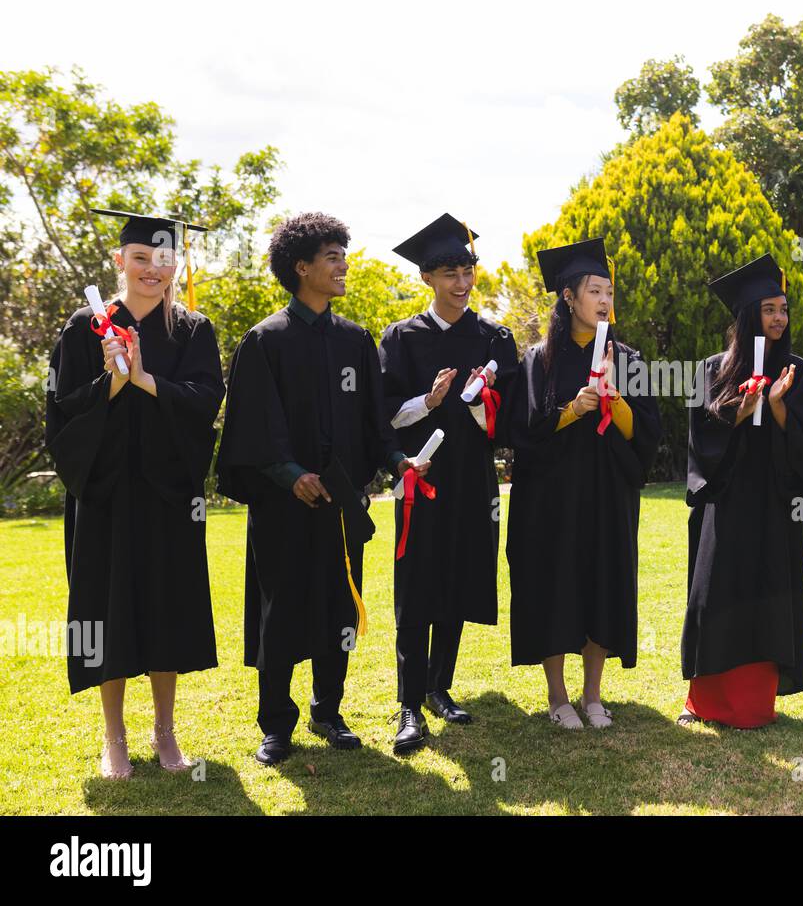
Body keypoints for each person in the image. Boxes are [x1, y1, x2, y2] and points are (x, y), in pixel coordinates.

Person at [216, 212, 425, 766]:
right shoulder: (264, 342)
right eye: (331, 256)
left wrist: (400, 459)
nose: (342, 264)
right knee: (280, 609)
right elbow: (252, 427)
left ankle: (328, 711)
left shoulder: (355, 341)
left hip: (340, 504)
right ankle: (276, 723)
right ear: (301, 266)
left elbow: (373, 427)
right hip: (283, 505)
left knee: (339, 608)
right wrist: (290, 476)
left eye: (342, 253)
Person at [46, 208, 224, 779]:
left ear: (176, 264)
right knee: (107, 609)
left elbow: (206, 402)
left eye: (163, 259)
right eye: (140, 259)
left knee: (165, 606)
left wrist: (147, 381)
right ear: (120, 261)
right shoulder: (83, 328)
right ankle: (113, 736)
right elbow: (63, 411)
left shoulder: (193, 330)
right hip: (104, 493)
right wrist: (111, 383)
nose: (152, 269)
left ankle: (165, 733)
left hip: (169, 494)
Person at [504, 237, 662, 729]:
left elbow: (649, 437)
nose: (605, 301)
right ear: (569, 297)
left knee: (601, 580)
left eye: (610, 292)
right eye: (595, 291)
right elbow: (523, 431)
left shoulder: (628, 360)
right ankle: (558, 697)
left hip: (607, 493)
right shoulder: (539, 360)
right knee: (554, 583)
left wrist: (614, 402)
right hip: (550, 497)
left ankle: (593, 695)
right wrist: (574, 409)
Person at [380, 213, 518, 754]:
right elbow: (384, 415)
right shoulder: (402, 339)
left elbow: (510, 422)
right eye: (449, 273)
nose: (461, 283)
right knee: (417, 588)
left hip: (473, 479)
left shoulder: (493, 338)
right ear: (427, 279)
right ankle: (409, 704)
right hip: (421, 478)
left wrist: (485, 409)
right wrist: (429, 404)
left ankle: (440, 686)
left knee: (458, 580)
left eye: (467, 271)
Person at [678, 254, 803, 729]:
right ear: (747, 315)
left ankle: (754, 703)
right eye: (769, 309)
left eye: (783, 309)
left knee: (767, 591)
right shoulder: (713, 369)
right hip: (727, 501)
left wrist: (778, 407)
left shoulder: (799, 372)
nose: (779, 318)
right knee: (717, 590)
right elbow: (702, 441)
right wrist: (741, 410)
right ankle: (706, 701)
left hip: (775, 503)